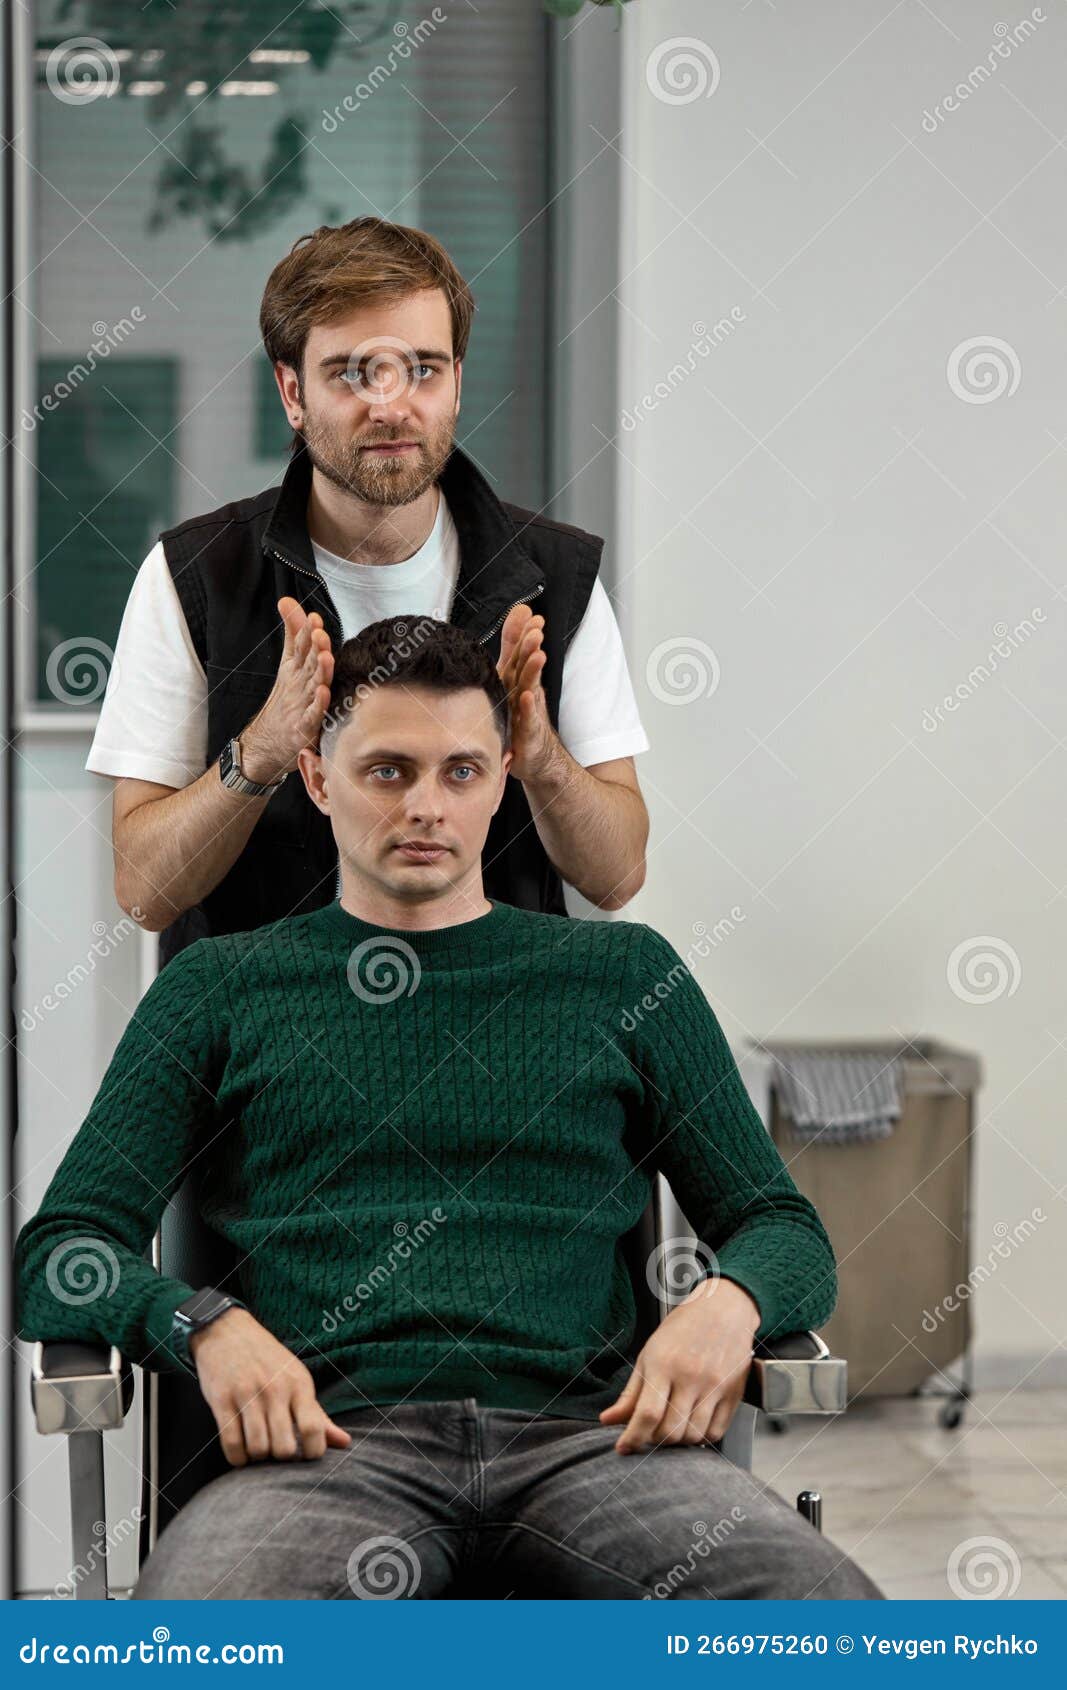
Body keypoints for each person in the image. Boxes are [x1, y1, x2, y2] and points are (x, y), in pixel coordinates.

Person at [15, 619, 882, 1602]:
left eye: (460, 772)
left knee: (817, 1619)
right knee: (209, 1646)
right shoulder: (220, 988)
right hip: (324, 1459)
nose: (426, 806)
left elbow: (782, 1229)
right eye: (387, 770)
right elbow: (59, 1253)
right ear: (315, 776)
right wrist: (199, 1323)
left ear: (503, 777)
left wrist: (732, 1301)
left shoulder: (622, 977)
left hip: (598, 1448)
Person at [84, 216, 650, 969]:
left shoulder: (552, 575)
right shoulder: (196, 575)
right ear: (292, 392)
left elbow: (616, 879)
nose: (390, 406)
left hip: (495, 1043)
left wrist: (541, 758)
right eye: (351, 373)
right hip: (263, 1051)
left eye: (422, 368)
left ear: (456, 383)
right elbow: (145, 892)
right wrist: (260, 753)